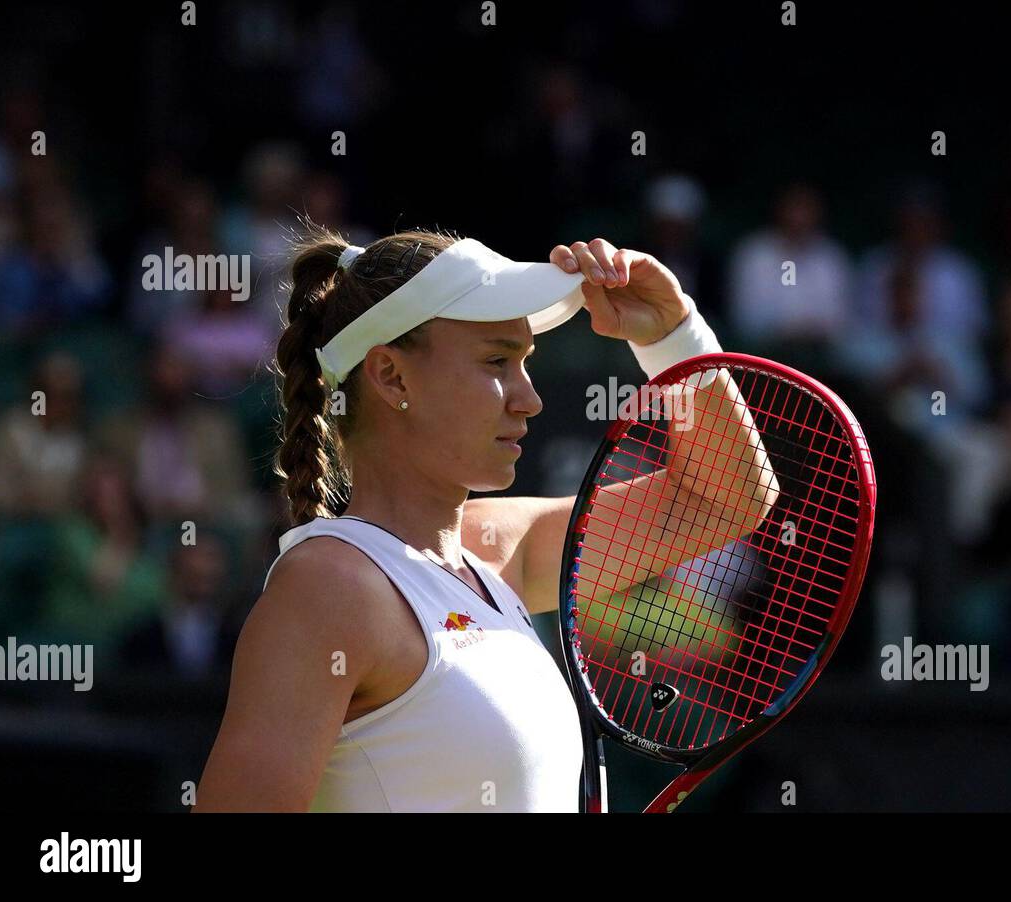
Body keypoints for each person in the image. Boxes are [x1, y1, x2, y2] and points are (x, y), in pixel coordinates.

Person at [194, 228, 775, 812]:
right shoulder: (329, 589)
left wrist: (674, 335)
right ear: (392, 376)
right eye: (497, 361)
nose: (529, 399)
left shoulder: (496, 548)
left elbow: (727, 499)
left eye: (524, 362)